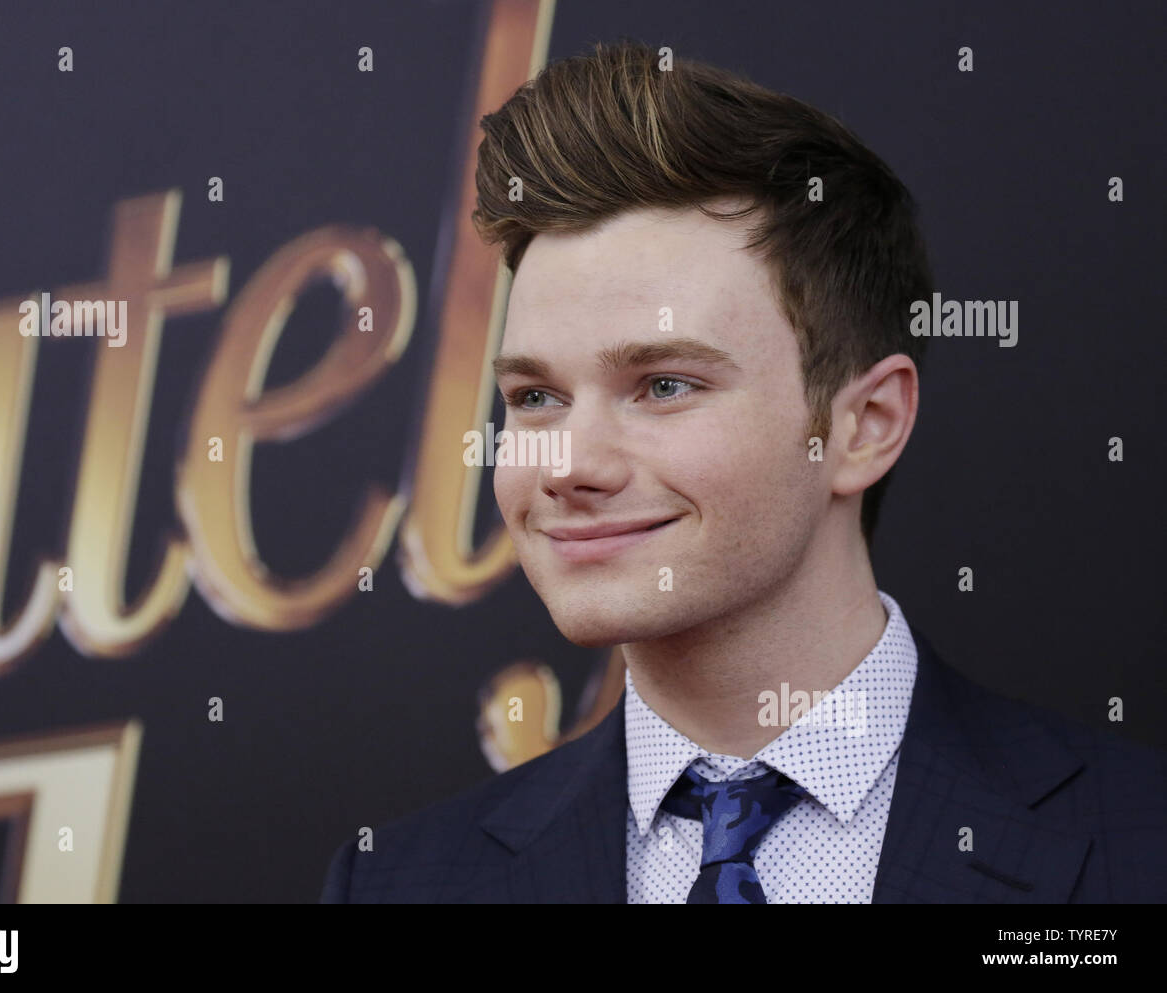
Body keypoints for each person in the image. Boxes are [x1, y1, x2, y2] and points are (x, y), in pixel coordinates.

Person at [320, 40, 1166, 903]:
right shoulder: (398, 883)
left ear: (864, 426)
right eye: (535, 397)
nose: (569, 464)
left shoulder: (1136, 842)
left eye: (664, 385)